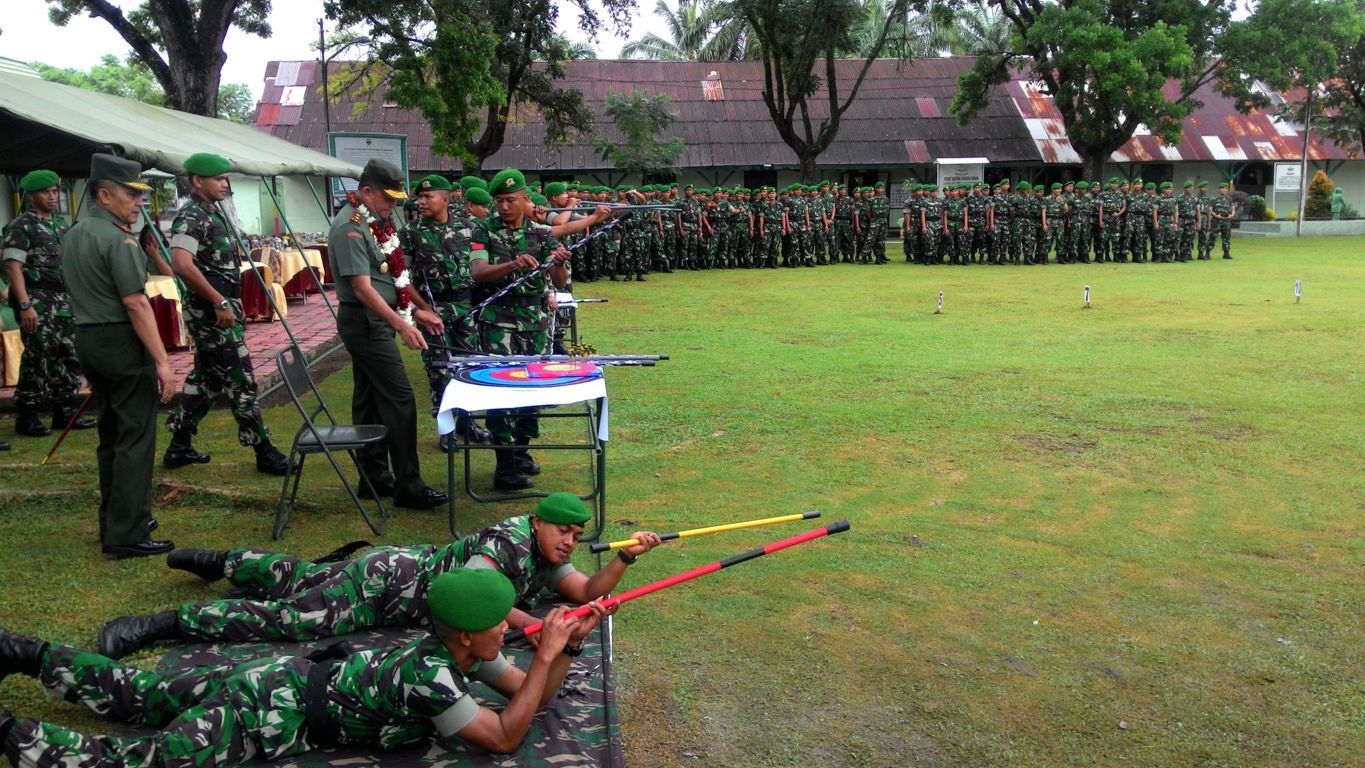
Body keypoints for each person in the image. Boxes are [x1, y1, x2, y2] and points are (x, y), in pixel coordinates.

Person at [1, 568, 610, 764]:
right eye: (502, 624)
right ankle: (12, 734)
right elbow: (504, 737)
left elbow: (530, 694)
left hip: (274, 678)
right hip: (264, 710)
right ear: (470, 635)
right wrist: (547, 653)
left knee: (137, 691)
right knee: (149, 759)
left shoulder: (453, 652)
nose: (512, 630)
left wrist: (565, 648)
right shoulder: (431, 677)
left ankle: (19, 651)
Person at [96, 492, 657, 655]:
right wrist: (533, 627)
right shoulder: (507, 542)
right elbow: (481, 593)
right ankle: (162, 624)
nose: (569, 542)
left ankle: (220, 562)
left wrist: (624, 558)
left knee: (302, 578)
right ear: (536, 523)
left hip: (394, 566)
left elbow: (585, 590)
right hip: (386, 588)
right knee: (292, 619)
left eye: (576, 535)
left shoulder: (548, 554)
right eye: (561, 531)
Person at [60, 154, 176, 559]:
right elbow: (136, 303)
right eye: (131, 194)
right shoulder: (119, 239)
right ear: (105, 195)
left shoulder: (74, 233)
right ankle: (127, 531)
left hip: (89, 339)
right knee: (135, 437)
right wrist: (162, 360)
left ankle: (113, 519)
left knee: (110, 434)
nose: (139, 201)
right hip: (121, 341)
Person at [328, 158, 449, 510]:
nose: (392, 206)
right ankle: (409, 484)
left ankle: (373, 476)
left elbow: (393, 276)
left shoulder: (376, 222)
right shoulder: (350, 226)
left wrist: (418, 309)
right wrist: (403, 324)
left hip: (375, 320)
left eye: (397, 200)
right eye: (388, 198)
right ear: (366, 192)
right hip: (365, 322)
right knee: (400, 399)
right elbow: (363, 289)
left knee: (368, 399)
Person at [159, 153, 289, 475]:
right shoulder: (191, 215)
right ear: (197, 180)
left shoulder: (211, 212)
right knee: (240, 378)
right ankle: (263, 450)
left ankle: (179, 446)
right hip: (211, 312)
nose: (225, 184)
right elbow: (181, 264)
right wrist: (218, 301)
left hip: (222, 307)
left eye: (226, 178)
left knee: (206, 380)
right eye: (218, 178)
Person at [471, 169, 571, 491]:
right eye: (498, 200)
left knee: (532, 388)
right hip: (497, 322)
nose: (503, 206)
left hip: (534, 323)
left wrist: (559, 262)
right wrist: (512, 264)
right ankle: (504, 466)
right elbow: (478, 272)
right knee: (501, 389)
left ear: (524, 198)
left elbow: (559, 282)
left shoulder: (541, 234)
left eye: (510, 200)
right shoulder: (483, 230)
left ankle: (521, 450)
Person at [2, 170, 96, 438]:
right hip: (37, 300)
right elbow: (13, 268)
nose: (53, 196)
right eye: (46, 192)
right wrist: (24, 305)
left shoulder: (59, 225)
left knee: (65, 354)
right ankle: (27, 415)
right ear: (31, 195)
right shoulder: (21, 226)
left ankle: (64, 411)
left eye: (55, 191)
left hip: (62, 300)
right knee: (37, 356)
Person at [402, 174, 492, 452]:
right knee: (439, 368)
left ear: (446, 198)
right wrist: (423, 308)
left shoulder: (470, 228)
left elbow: (483, 267)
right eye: (420, 196)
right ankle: (446, 428)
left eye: (428, 196)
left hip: (466, 307)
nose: (422, 201)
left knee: (469, 366)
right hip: (433, 309)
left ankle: (467, 422)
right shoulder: (410, 233)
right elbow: (401, 278)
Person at [1211, 183, 1236, 259]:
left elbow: (1233, 208)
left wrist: (1232, 214)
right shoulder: (1214, 199)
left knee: (1226, 237)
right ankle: (1208, 252)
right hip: (1216, 221)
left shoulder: (1229, 199)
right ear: (1219, 190)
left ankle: (1226, 253)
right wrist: (1216, 216)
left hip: (1226, 221)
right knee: (1213, 237)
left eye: (1226, 188)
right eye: (1223, 188)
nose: (1225, 190)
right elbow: (1210, 210)